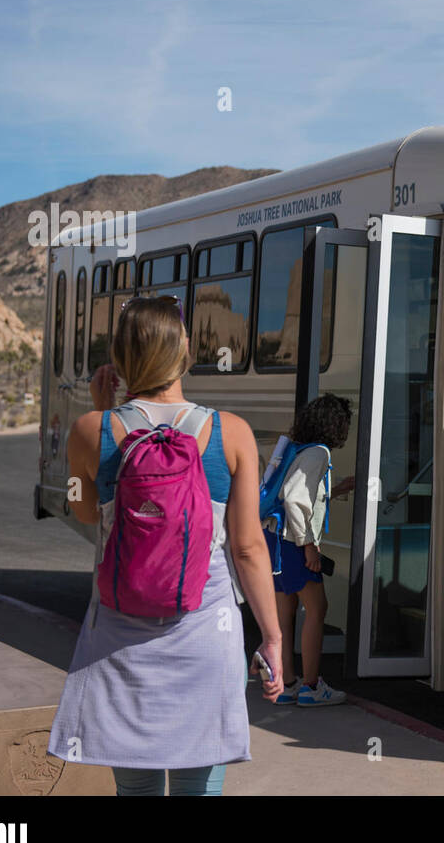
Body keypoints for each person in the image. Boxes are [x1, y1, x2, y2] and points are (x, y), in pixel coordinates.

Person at [50, 295, 283, 796]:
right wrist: (272, 637)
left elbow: (84, 510)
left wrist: (98, 414)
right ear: (183, 350)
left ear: (119, 358)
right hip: (206, 634)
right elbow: (248, 549)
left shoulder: (88, 432)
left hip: (119, 636)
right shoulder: (233, 433)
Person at [261, 394, 356, 707]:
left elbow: (299, 491)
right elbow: (296, 499)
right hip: (294, 543)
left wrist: (341, 487)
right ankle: (312, 686)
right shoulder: (319, 453)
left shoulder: (297, 448)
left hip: (275, 539)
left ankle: (287, 684)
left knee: (285, 615)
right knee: (317, 610)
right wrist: (309, 546)